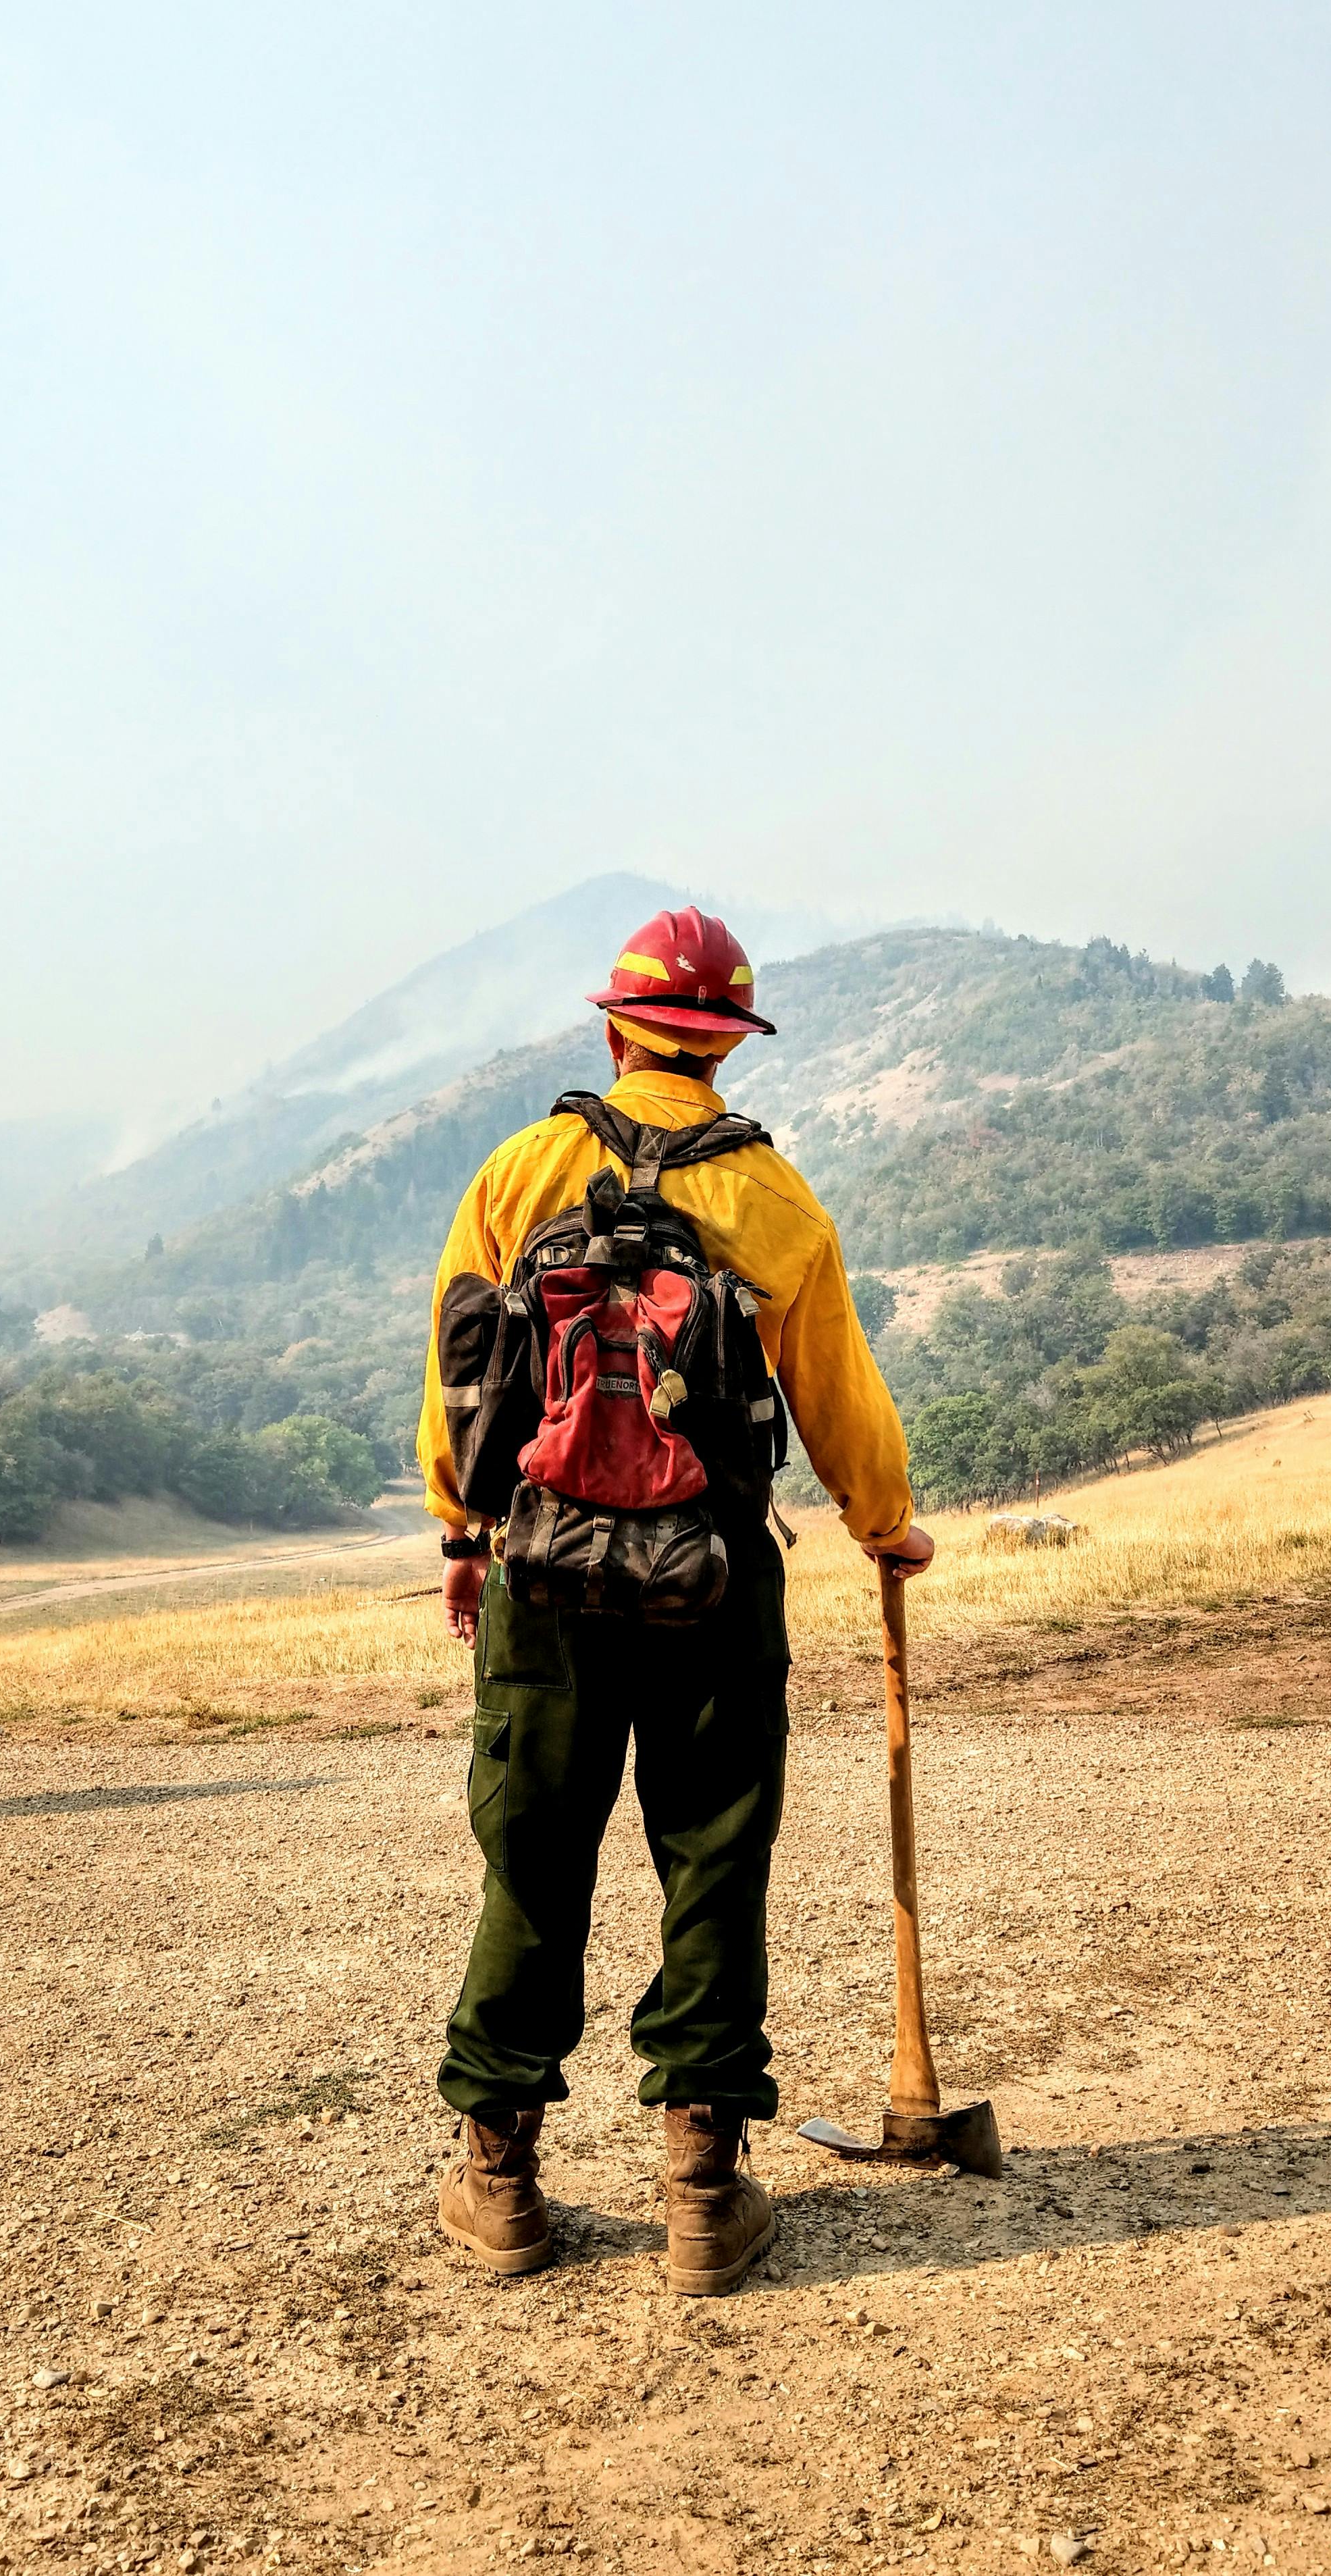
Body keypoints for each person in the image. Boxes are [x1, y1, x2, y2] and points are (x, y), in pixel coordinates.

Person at [416, 904, 933, 2292]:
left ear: (614, 1028)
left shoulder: (521, 1170)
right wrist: (884, 1524)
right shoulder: (771, 1198)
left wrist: (464, 1536)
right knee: (712, 1845)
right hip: (712, 1577)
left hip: (541, 1570)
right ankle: (704, 2184)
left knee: (534, 1848)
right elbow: (836, 1393)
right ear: (728, 1050)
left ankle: (501, 2181)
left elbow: (461, 1371)